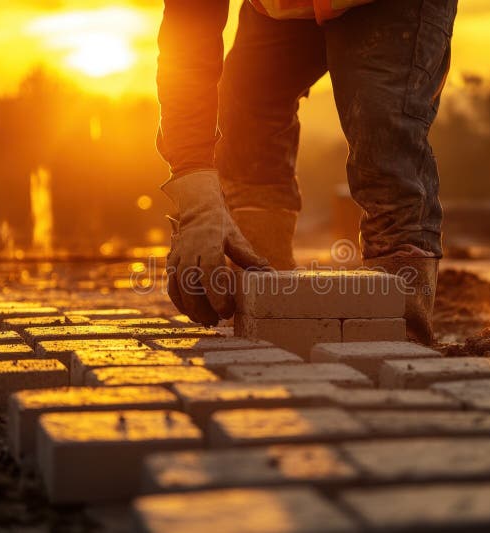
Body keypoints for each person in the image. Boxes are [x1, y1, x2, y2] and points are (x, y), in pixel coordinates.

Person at [156, 0, 458, 344]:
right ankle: (263, 310)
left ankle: (400, 337)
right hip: (286, 7)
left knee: (382, 129)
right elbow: (188, 39)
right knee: (244, 110)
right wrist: (197, 194)